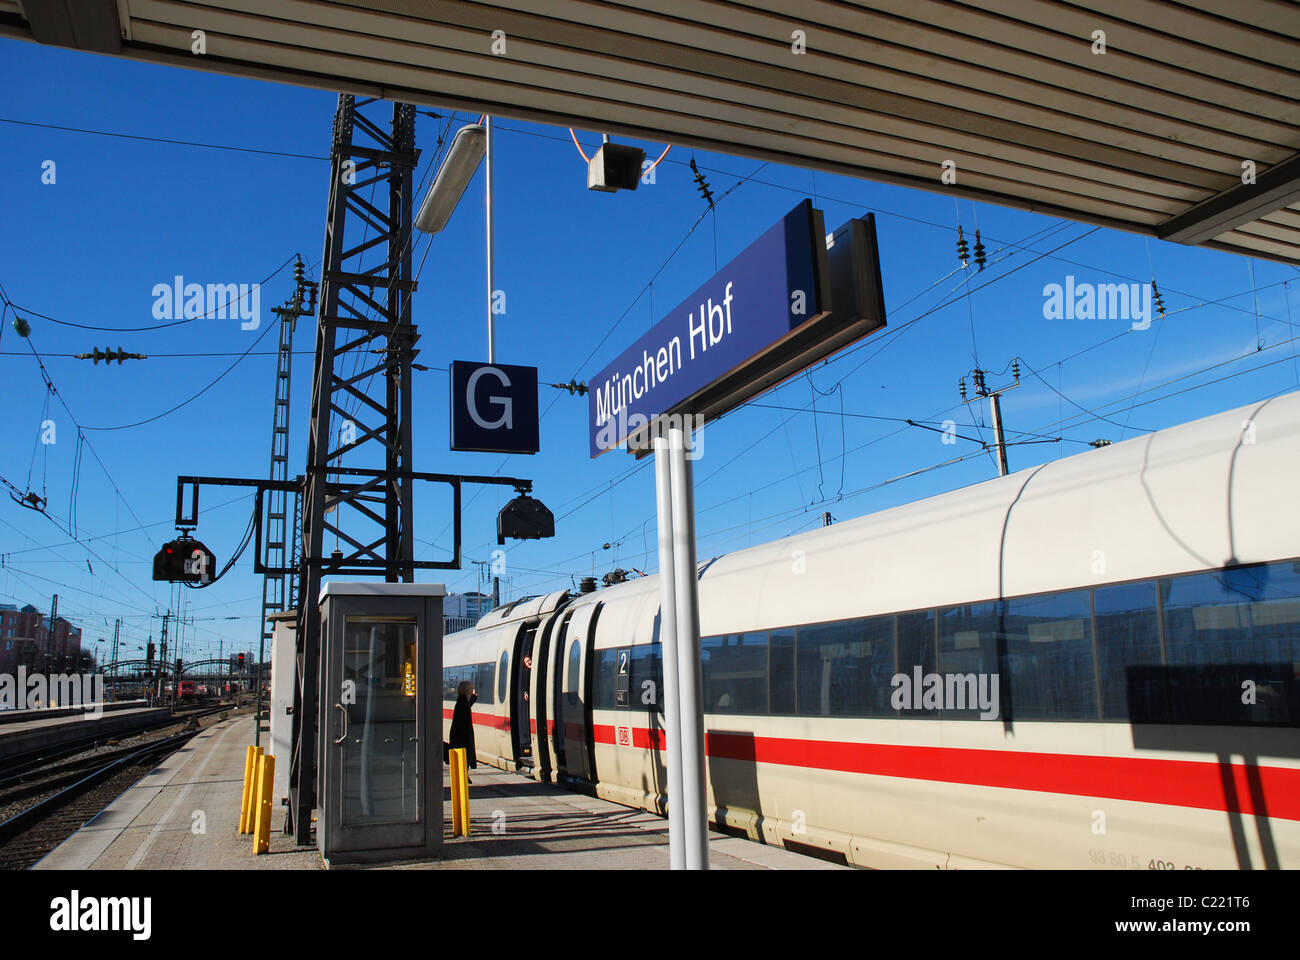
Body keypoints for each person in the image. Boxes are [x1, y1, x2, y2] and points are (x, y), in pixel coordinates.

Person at [448, 680, 478, 783]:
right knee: (463, 761)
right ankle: (463, 778)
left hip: (460, 739)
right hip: (463, 741)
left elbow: (466, 706)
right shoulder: (462, 703)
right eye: (471, 689)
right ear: (467, 691)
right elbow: (463, 718)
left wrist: (473, 700)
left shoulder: (461, 701)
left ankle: (463, 777)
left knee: (464, 763)